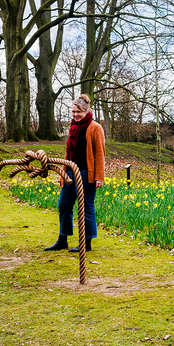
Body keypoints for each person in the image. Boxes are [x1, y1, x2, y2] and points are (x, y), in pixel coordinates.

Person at [44, 94, 105, 252]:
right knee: (64, 204)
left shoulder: (95, 128)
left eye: (78, 112)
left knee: (86, 207)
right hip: (71, 170)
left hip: (87, 172)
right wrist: (62, 173)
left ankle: (87, 243)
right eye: (73, 112)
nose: (75, 115)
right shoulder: (73, 126)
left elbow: (100, 154)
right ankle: (62, 240)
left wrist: (99, 177)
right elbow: (68, 152)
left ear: (86, 111)